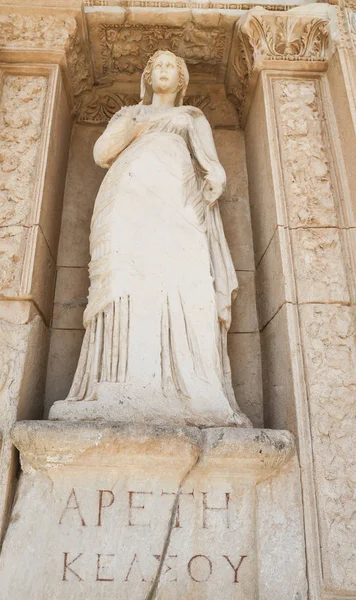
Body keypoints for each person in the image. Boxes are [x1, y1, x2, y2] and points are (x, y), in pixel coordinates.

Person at [50, 50, 251, 428]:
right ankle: (118, 382)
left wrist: (215, 179)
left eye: (170, 67)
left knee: (185, 281)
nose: (162, 72)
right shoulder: (130, 115)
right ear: (147, 77)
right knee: (126, 280)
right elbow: (100, 153)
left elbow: (213, 166)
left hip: (177, 200)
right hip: (126, 201)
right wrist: (132, 125)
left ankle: (191, 387)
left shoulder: (191, 117)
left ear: (181, 80)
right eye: (156, 66)